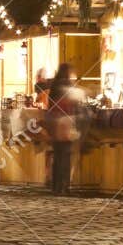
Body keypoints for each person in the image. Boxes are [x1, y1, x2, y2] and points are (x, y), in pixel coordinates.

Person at [46, 63, 80, 196]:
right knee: (65, 157)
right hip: (65, 123)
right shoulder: (67, 85)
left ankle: (56, 186)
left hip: (55, 123)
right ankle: (64, 186)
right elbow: (73, 101)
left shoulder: (54, 85)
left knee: (58, 155)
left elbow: (50, 104)